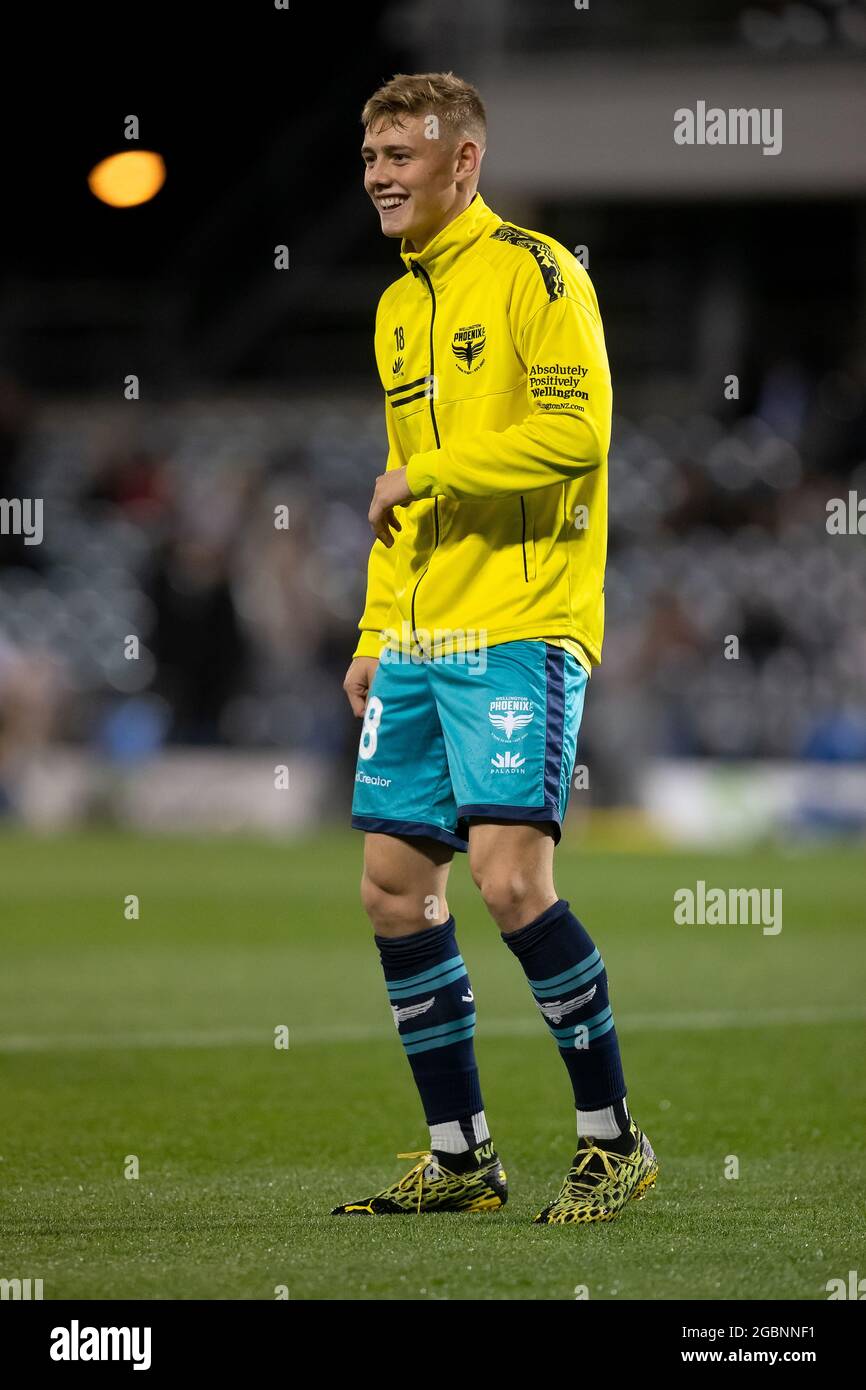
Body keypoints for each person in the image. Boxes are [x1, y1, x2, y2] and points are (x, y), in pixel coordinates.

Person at [336, 71, 658, 1223]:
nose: (378, 173)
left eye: (400, 154)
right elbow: (393, 497)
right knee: (390, 890)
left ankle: (611, 1137)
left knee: (509, 879)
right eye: (369, 154)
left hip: (520, 621)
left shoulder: (534, 270)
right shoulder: (394, 305)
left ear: (460, 161)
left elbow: (579, 429)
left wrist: (431, 471)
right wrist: (376, 629)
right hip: (419, 637)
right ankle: (462, 1156)